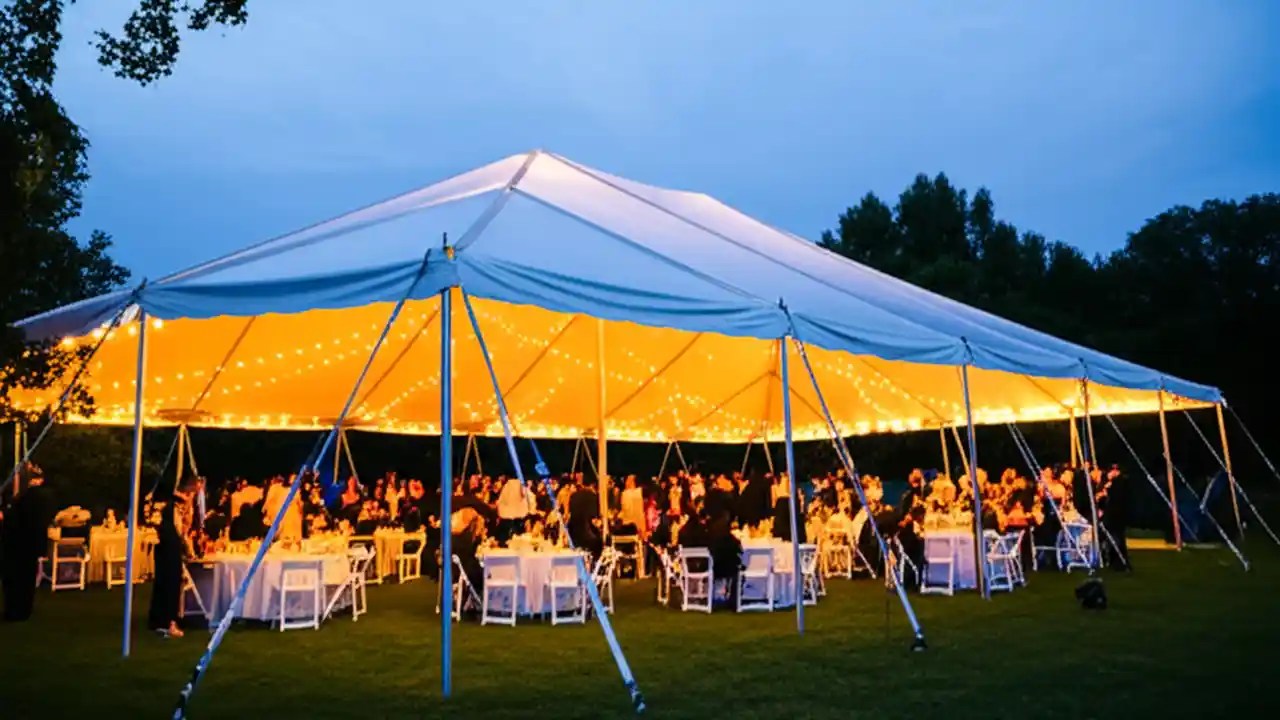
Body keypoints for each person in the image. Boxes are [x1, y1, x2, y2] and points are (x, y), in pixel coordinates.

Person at [1, 464, 56, 622]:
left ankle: (16, 611)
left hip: (20, 544)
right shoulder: (43, 496)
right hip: (30, 544)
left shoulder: (30, 498)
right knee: (26, 579)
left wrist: (7, 515)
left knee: (17, 579)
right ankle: (22, 609)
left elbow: (20, 520)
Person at [149, 474, 201, 638]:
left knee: (163, 583)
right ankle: (168, 621)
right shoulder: (178, 505)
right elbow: (181, 529)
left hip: (164, 547)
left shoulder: (168, 503)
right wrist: (187, 549)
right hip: (170, 547)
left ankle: (159, 619)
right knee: (171, 584)